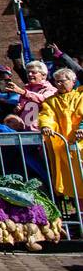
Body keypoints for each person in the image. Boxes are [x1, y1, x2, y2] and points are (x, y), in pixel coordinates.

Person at [38, 68, 83, 204]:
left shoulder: (81, 97)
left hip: (81, 144)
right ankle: (79, 213)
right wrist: (46, 126)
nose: (58, 84)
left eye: (62, 81)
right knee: (73, 181)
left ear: (72, 81)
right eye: (56, 81)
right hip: (64, 147)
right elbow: (46, 115)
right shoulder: (50, 101)